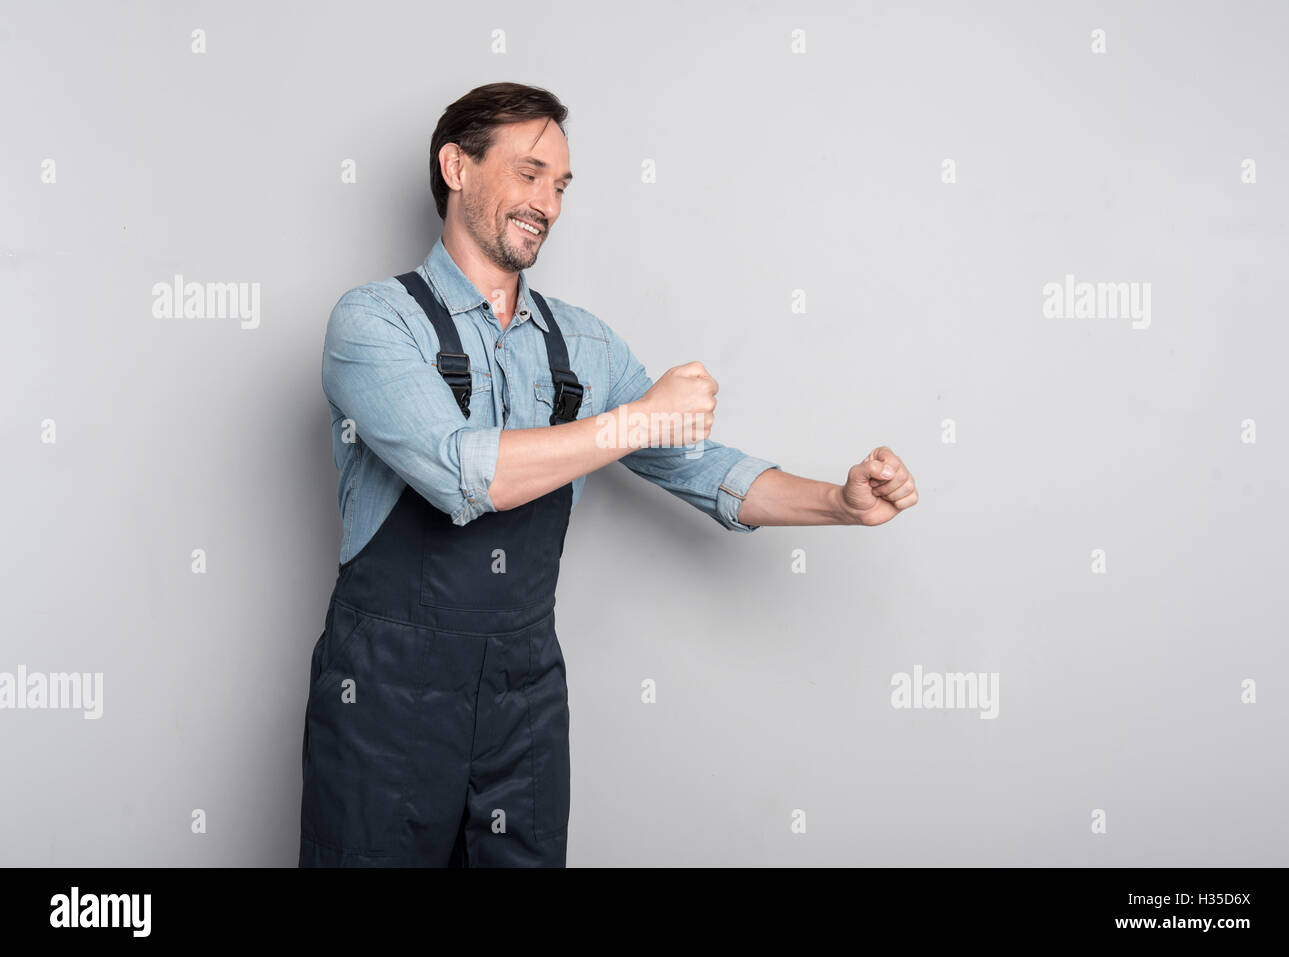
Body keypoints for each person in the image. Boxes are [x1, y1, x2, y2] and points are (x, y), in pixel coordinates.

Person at [298, 82, 919, 867]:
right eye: (527, 173)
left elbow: (700, 468)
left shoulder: (583, 346)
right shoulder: (372, 323)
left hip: (522, 708)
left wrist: (838, 500)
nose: (547, 203)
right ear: (456, 166)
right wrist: (635, 419)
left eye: (559, 185)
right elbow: (461, 474)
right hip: (382, 707)